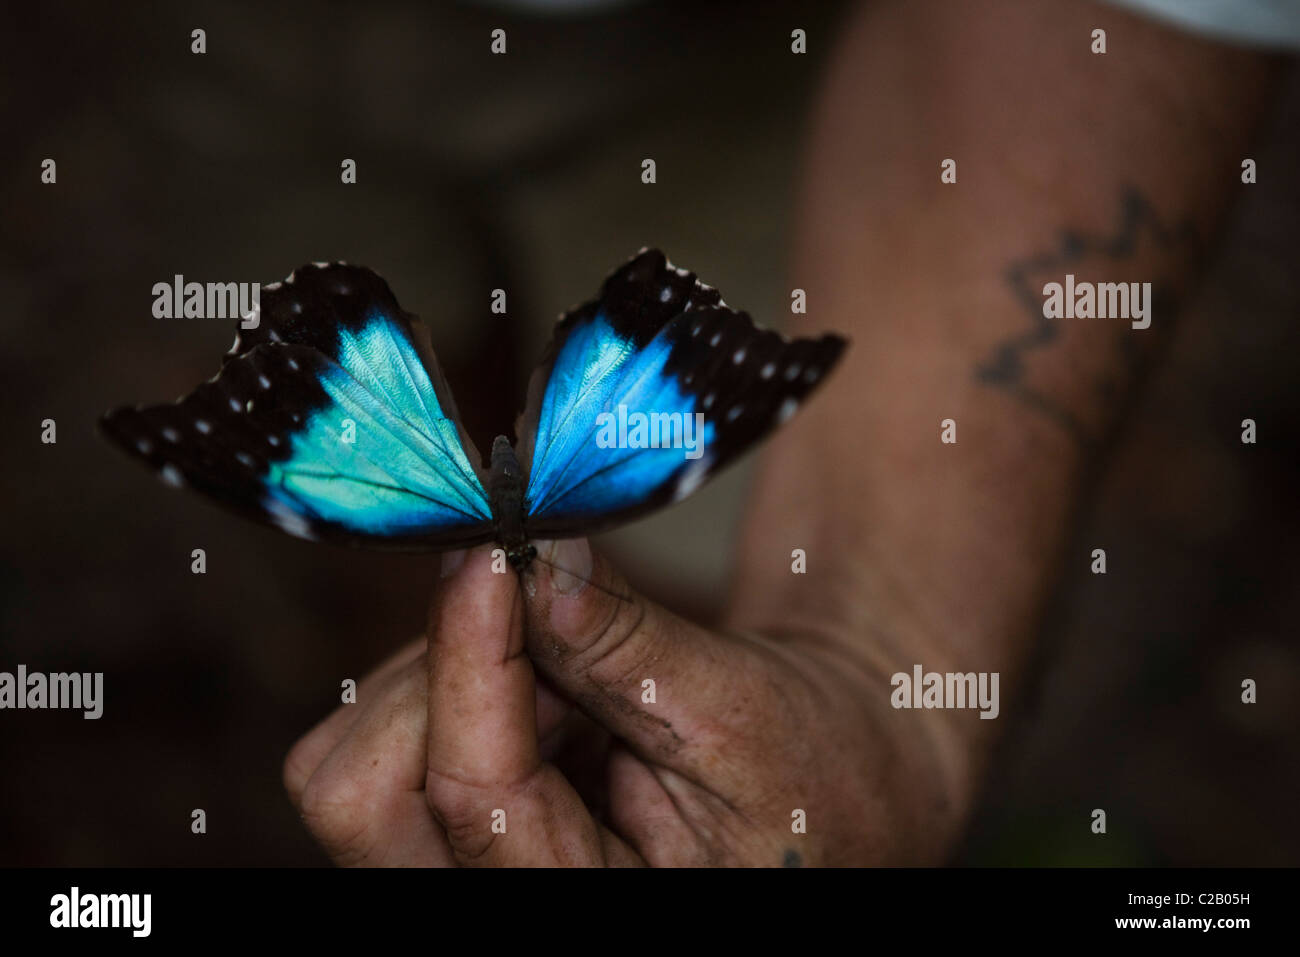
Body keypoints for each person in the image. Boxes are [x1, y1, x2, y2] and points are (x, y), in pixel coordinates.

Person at [279, 0, 1296, 865]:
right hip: (281, 57)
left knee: (663, 577)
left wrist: (877, 670)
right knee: (382, 481)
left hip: (715, 61)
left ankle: (534, 731)